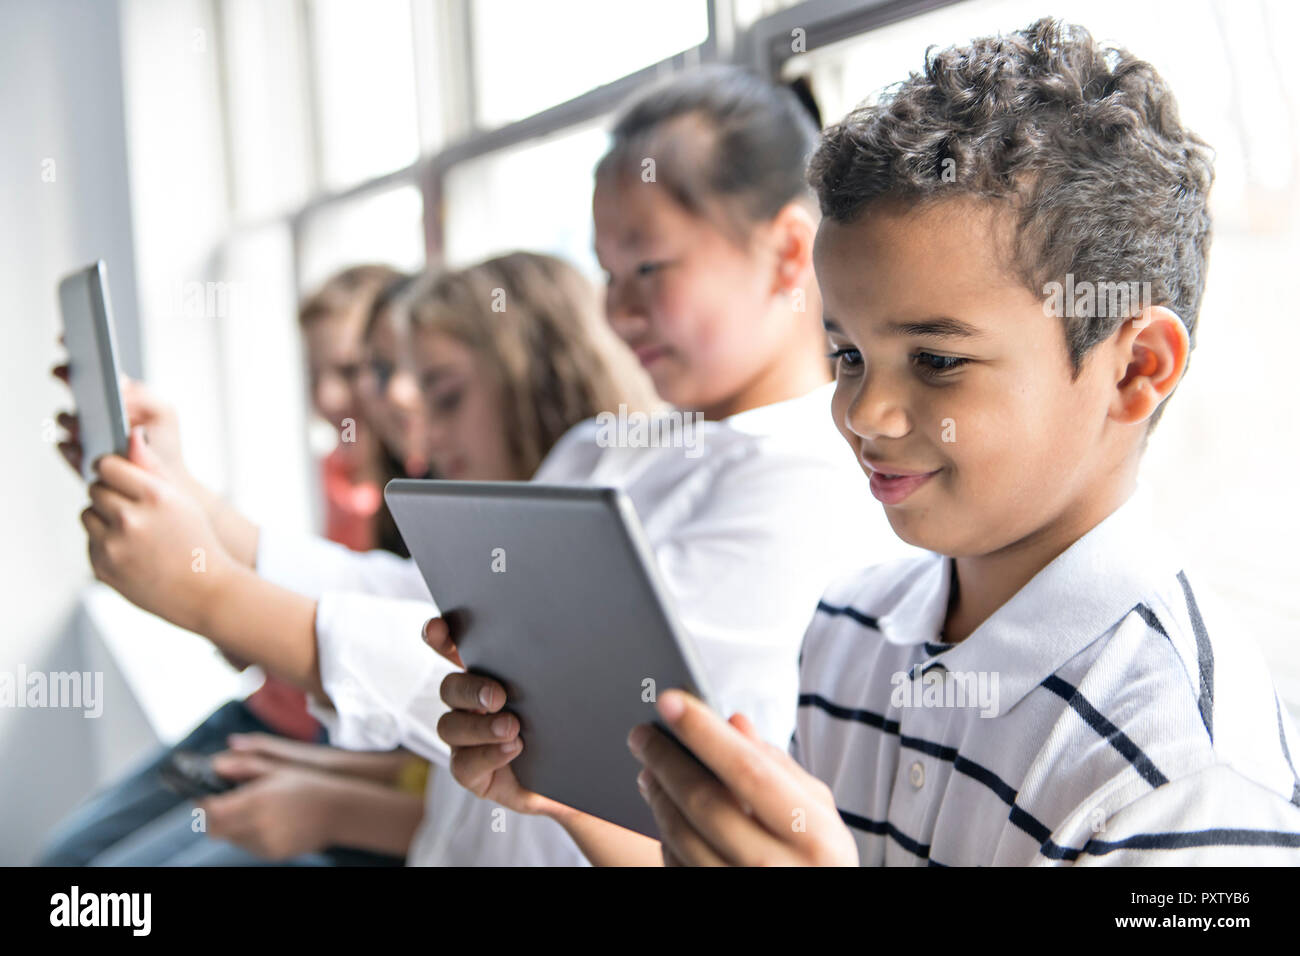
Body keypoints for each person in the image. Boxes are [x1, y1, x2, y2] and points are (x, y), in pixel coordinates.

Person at [447, 18, 1300, 865]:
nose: (865, 412)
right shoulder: (852, 626)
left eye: (936, 360)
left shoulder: (1188, 767)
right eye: (847, 354)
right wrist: (569, 793)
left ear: (1135, 369)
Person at [71, 69, 916, 866]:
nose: (618, 309)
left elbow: (575, 701)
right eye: (608, 272)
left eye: (649, 268)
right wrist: (186, 506)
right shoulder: (603, 444)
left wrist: (210, 593)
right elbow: (432, 610)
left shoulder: (804, 487)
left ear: (784, 253)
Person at [41, 266, 424, 866]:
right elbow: (250, 638)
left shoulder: (418, 515)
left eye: (355, 371)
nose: (328, 399)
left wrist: (206, 593)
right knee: (64, 860)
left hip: (327, 759)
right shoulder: (341, 484)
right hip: (263, 726)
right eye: (315, 374)